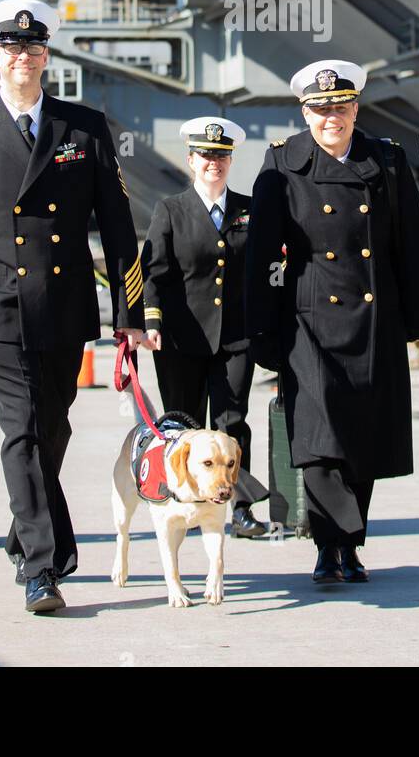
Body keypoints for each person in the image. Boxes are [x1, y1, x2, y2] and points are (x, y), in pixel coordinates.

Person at [0, 0, 155, 614]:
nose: (24, 58)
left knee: (52, 428)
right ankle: (42, 569)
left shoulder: (84, 128)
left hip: (65, 304)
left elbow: (119, 225)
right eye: (12, 49)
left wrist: (130, 317)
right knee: (20, 429)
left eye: (34, 48)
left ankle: (26, 532)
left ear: (46, 56)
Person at [244, 60, 419, 585]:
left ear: (356, 108)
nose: (332, 116)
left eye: (341, 106)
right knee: (319, 437)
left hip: (374, 319)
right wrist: (260, 326)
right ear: (304, 113)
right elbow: (261, 251)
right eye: (320, 108)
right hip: (308, 321)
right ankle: (331, 547)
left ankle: (347, 548)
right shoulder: (282, 164)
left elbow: (410, 244)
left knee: (361, 440)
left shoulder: (389, 161)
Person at [140, 116, 267, 539]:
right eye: (207, 155)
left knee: (233, 423)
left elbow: (267, 268)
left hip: (235, 337)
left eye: (222, 155)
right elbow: (154, 272)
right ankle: (186, 500)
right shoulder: (170, 210)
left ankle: (241, 507)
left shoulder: (250, 210)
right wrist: (151, 321)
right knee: (185, 428)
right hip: (181, 339)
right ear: (191, 160)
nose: (215, 162)